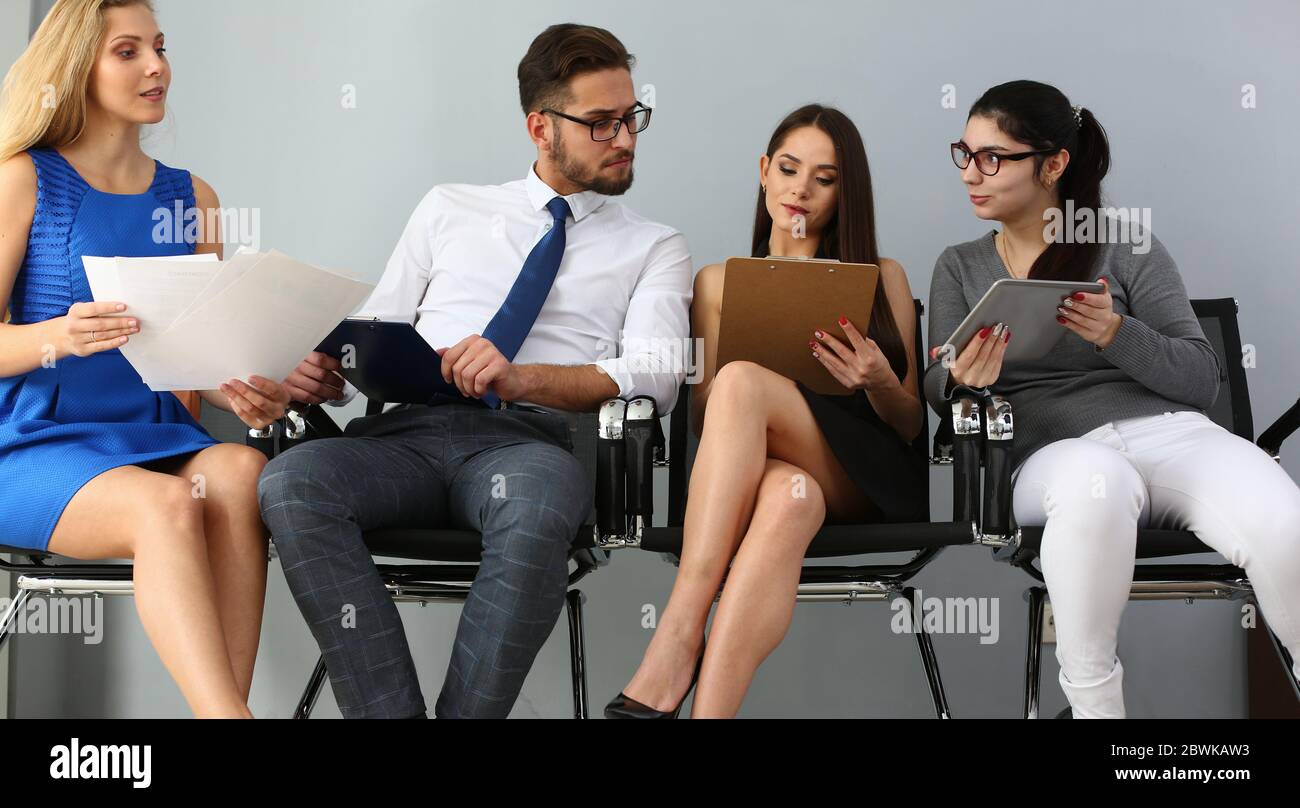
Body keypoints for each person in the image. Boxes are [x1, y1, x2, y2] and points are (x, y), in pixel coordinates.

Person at [259, 23, 693, 719]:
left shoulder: (653, 245)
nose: (627, 139)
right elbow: (376, 332)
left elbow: (658, 373)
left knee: (540, 498)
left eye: (632, 117)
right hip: (409, 436)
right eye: (602, 124)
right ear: (540, 127)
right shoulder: (449, 208)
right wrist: (323, 370)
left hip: (533, 444)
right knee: (291, 482)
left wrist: (521, 379)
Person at [924, 79, 1300, 718]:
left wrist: (1119, 334)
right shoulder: (959, 266)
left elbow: (1199, 378)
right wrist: (962, 379)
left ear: (1053, 164)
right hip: (1051, 453)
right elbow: (937, 387)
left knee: (1283, 521)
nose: (971, 173)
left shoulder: (1127, 245)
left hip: (1173, 436)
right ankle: (1100, 715)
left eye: (993, 157)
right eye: (965, 153)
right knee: (1095, 481)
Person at [0, 0, 290, 718]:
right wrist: (56, 337)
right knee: (166, 506)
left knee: (242, 470)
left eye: (158, 47)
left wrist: (247, 388)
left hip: (155, 439)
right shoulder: (23, 179)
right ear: (78, 68)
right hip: (34, 446)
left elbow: (198, 362)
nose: (156, 66)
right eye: (127, 51)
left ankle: (221, 711)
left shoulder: (195, 199)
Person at [607, 104, 927, 719]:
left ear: (844, 193)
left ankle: (678, 633)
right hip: (770, 478)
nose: (801, 189)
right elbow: (704, 419)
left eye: (824, 178)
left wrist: (880, 379)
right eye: (788, 168)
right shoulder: (717, 284)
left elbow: (910, 425)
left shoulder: (883, 277)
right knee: (789, 496)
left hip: (869, 477)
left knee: (743, 383)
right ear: (764, 171)